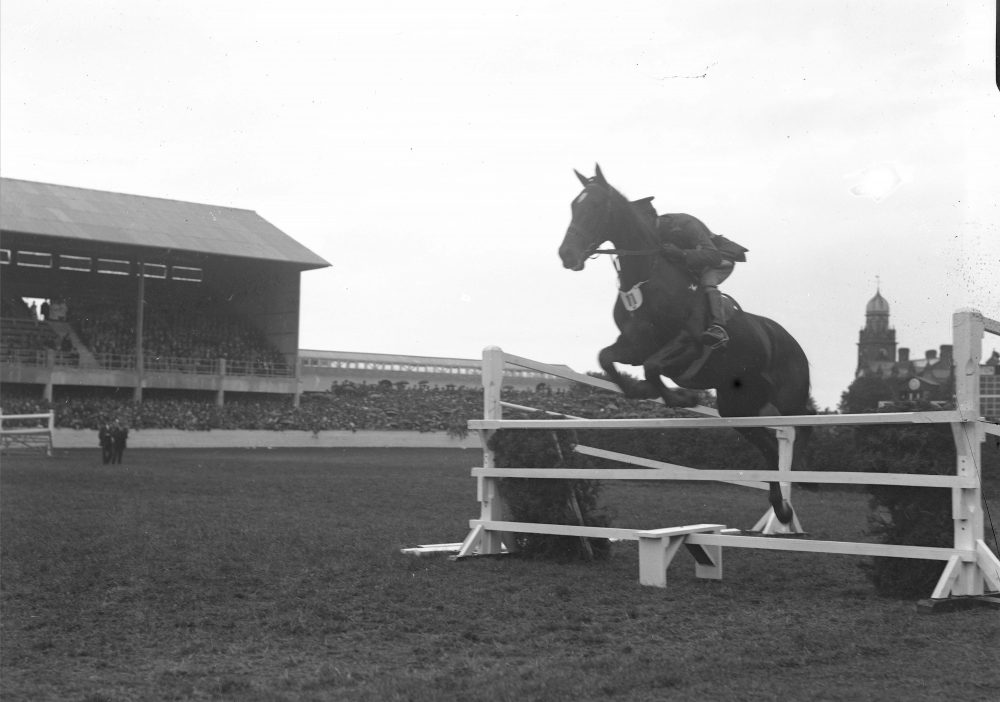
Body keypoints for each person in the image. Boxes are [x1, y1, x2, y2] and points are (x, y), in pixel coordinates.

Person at [635, 198, 748, 348]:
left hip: (721, 256)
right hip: (696, 260)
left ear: (650, 217)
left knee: (707, 281)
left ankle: (718, 328)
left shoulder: (685, 224)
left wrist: (681, 254)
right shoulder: (655, 232)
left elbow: (713, 256)